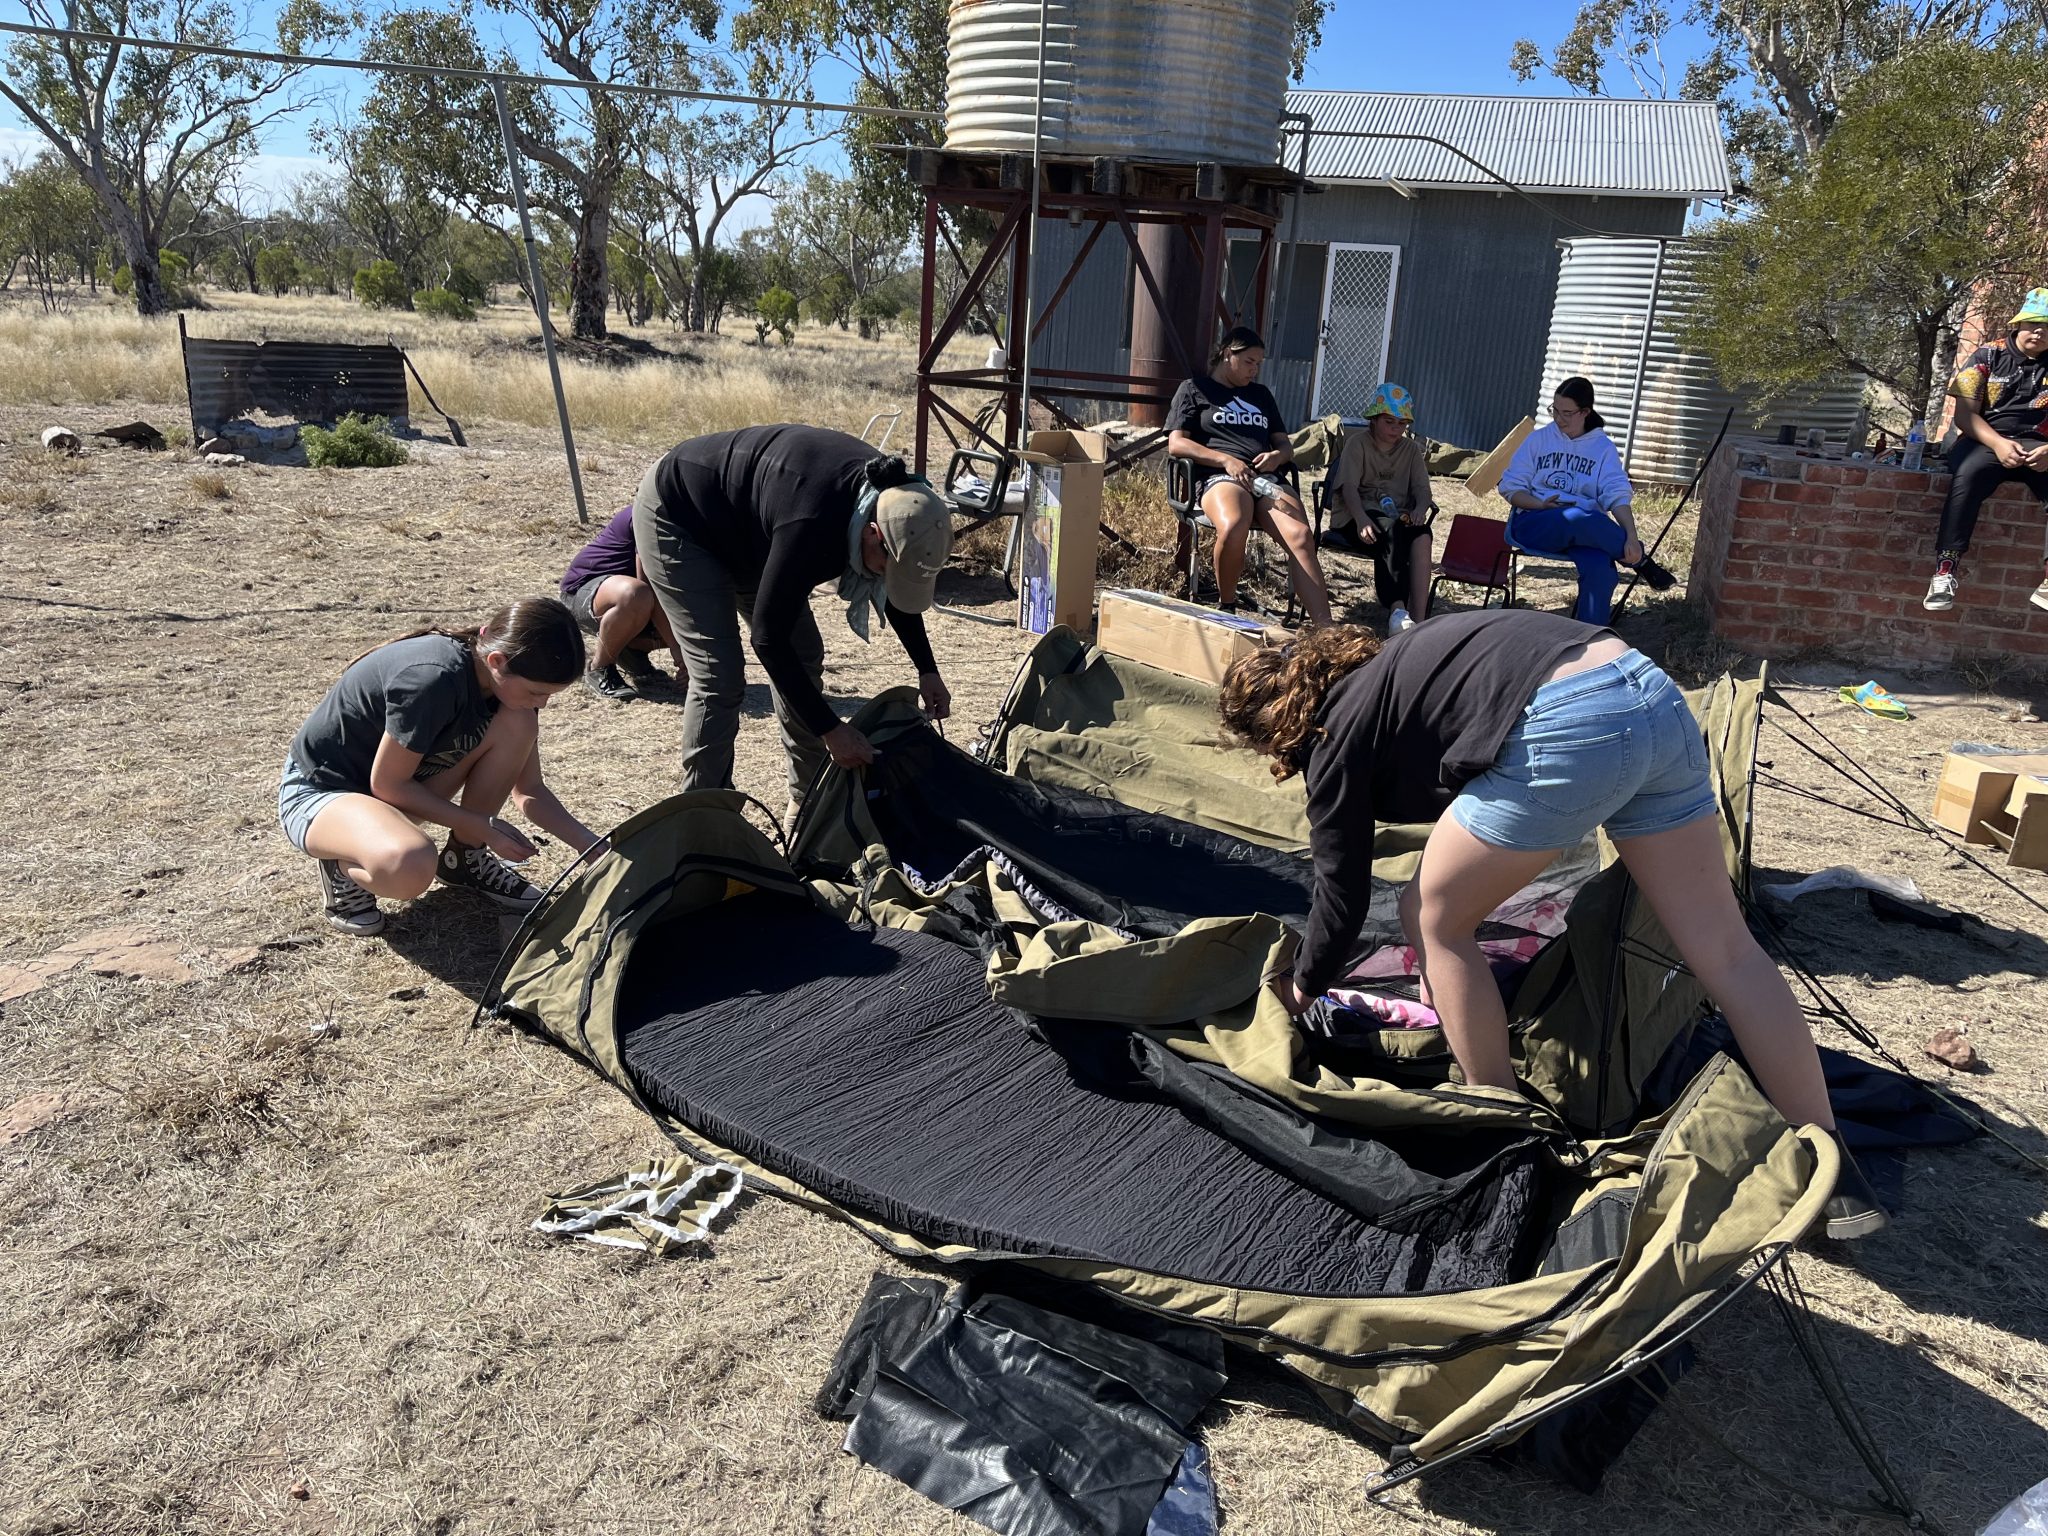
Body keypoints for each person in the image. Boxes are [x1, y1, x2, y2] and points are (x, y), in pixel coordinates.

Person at [1218, 611, 1887, 1241]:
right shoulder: (1408, 667)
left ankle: (1503, 1140)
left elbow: (1343, 891)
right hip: (1651, 692)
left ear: (1281, 725)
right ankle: (1833, 1171)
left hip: (1571, 720)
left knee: (1432, 915)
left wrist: (1302, 988)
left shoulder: (1337, 728)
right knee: (1726, 952)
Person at [631, 424, 955, 816]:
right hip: (681, 517)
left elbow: (896, 592)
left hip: (751, 531)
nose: (888, 581)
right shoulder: (816, 523)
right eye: (889, 570)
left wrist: (928, 669)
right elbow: (767, 638)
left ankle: (808, 804)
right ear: (873, 535)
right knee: (720, 676)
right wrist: (831, 730)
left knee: (803, 654)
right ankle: (703, 817)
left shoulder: (893, 500)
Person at [279, 598, 602, 938]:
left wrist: (591, 846)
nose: (542, 703)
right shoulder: (433, 679)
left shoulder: (504, 690)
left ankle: (464, 858)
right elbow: (388, 785)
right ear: (497, 661)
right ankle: (342, 864)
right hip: (323, 792)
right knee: (411, 865)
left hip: (397, 789)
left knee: (519, 724)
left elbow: (530, 791)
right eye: (537, 692)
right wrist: (482, 825)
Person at [1167, 326, 1334, 626]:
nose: (1254, 370)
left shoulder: (1260, 395)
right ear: (1229, 353)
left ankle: (1326, 628)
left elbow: (1285, 445)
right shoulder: (1194, 389)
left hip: (1265, 479)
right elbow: (1176, 443)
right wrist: (1225, 460)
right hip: (1220, 476)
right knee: (1234, 523)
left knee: (1301, 535)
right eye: (1249, 362)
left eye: (1259, 363)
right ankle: (1227, 605)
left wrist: (1277, 456)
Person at [1499, 376, 1675, 623]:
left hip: (1589, 532)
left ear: (1585, 412)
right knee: (1577, 517)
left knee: (1601, 571)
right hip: (1536, 522)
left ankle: (1590, 641)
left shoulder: (1602, 447)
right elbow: (1510, 487)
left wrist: (1632, 537)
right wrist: (1539, 504)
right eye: (1555, 411)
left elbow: (1616, 493)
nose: (1558, 419)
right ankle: (1643, 563)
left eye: (1567, 413)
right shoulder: (1538, 440)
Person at [1922, 287, 2048, 613]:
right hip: (1984, 437)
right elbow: (1965, 416)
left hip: (2039, 443)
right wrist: (1998, 443)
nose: (2040, 331)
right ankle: (1945, 570)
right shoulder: (1986, 355)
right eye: (2034, 323)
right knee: (1969, 474)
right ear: (2018, 324)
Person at [1321, 382, 1436, 633]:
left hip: (1398, 515)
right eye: (1389, 422)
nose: (1396, 429)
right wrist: (1361, 519)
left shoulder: (1411, 450)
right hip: (1357, 515)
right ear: (1374, 419)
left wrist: (1420, 509)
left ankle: (1419, 619)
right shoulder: (1357, 444)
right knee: (1390, 531)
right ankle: (1397, 610)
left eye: (1401, 424)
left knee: (1423, 536)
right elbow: (1349, 487)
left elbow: (1423, 490)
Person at [560, 504, 686, 702]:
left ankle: (632, 653)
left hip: (637, 605)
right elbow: (649, 585)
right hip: (585, 594)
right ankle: (599, 668)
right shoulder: (650, 513)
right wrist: (678, 651)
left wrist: (698, 664)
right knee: (636, 595)